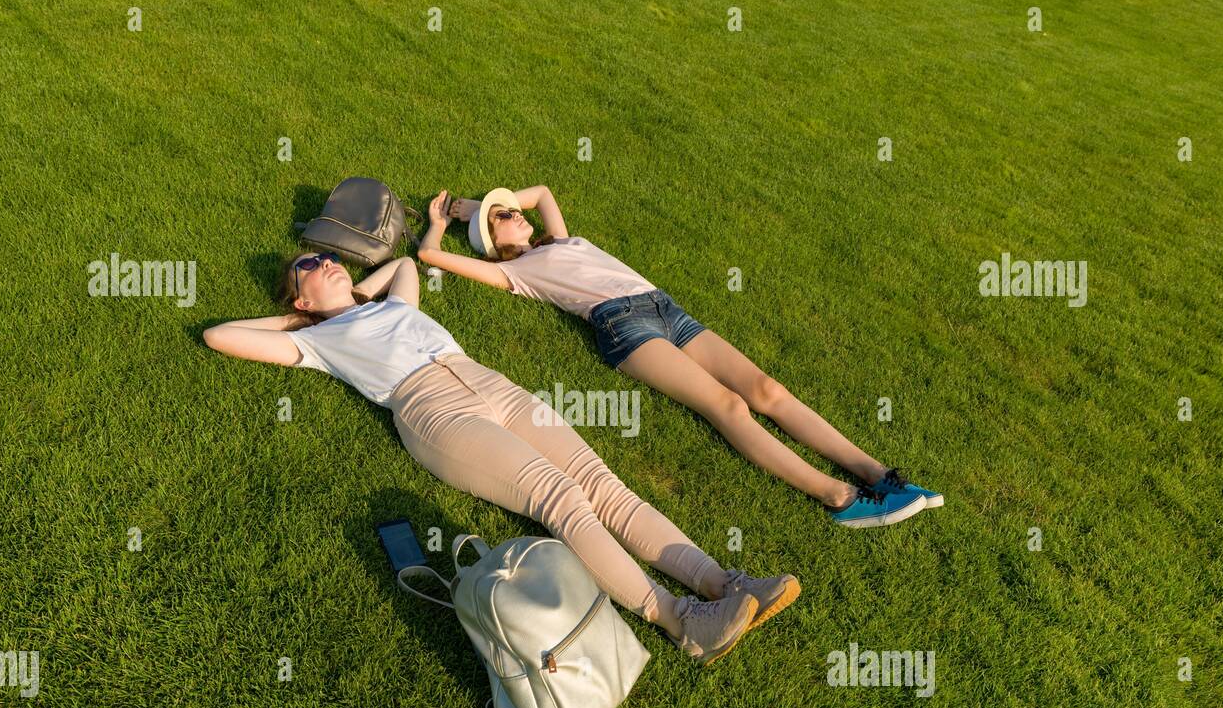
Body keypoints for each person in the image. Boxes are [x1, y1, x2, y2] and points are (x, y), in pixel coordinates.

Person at [202, 252, 800, 665]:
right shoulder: (313, 341)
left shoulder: (389, 305)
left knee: (602, 484)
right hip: (435, 412)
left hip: (489, 382)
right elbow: (220, 335)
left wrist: (356, 293)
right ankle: (680, 620)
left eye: (328, 260)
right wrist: (302, 319)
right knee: (560, 499)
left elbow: (406, 267)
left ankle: (726, 584)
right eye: (308, 268)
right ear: (299, 298)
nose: (326, 264)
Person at [417, 186, 943, 528]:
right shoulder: (518, 274)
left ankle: (878, 475)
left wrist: (477, 204)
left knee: (767, 390)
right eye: (503, 217)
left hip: (664, 307)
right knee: (728, 406)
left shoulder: (562, 239)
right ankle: (840, 498)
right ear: (491, 243)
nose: (515, 212)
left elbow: (544, 193)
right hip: (623, 326)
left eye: (510, 209)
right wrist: (446, 221)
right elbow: (429, 257)